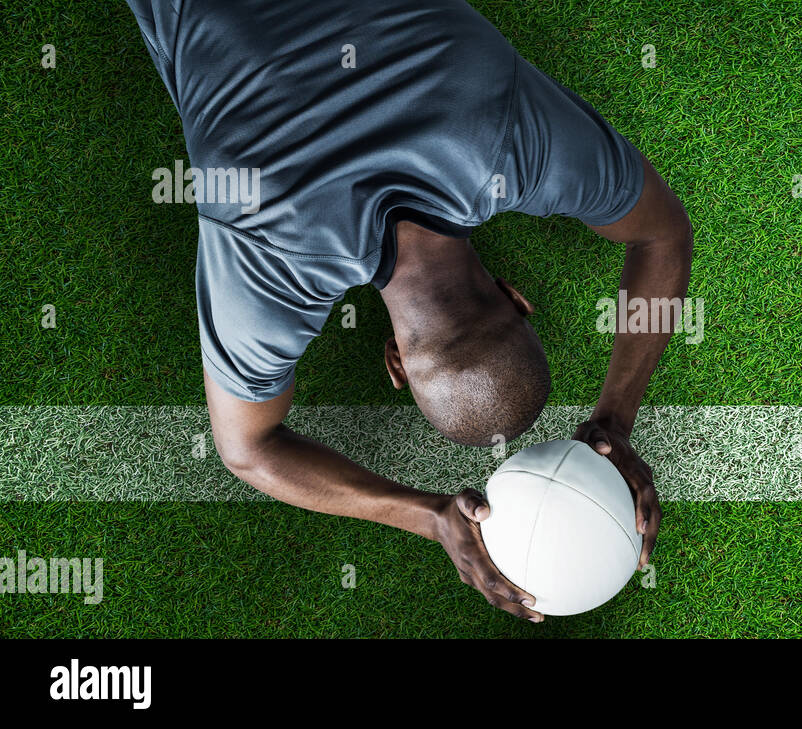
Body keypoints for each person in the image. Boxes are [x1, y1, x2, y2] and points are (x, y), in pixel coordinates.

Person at [127, 0, 693, 622]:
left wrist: (616, 420)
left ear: (515, 296)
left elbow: (662, 234)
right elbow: (248, 450)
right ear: (394, 361)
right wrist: (426, 515)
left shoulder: (505, 136)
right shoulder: (268, 251)